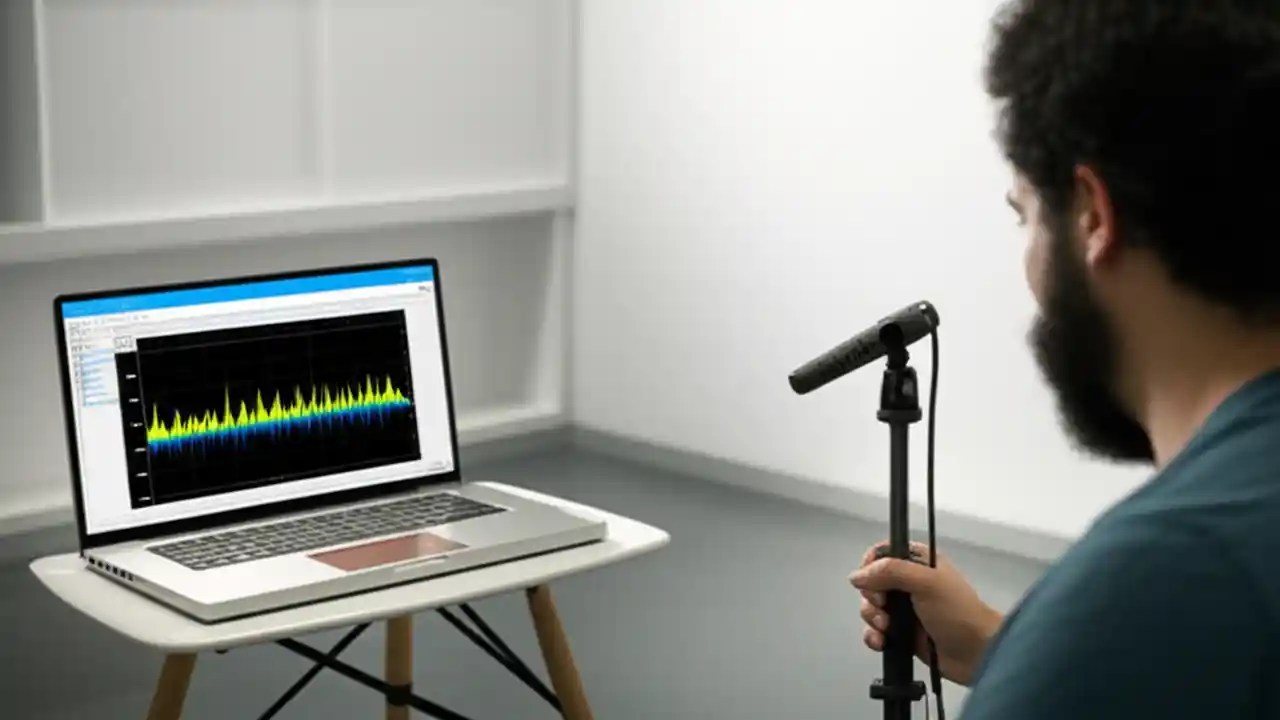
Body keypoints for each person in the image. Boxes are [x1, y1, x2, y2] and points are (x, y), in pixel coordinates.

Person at [850, 0, 1280, 716]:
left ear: (1090, 216)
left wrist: (1056, 660)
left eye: (1024, 214)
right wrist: (1005, 648)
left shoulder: (1156, 585)